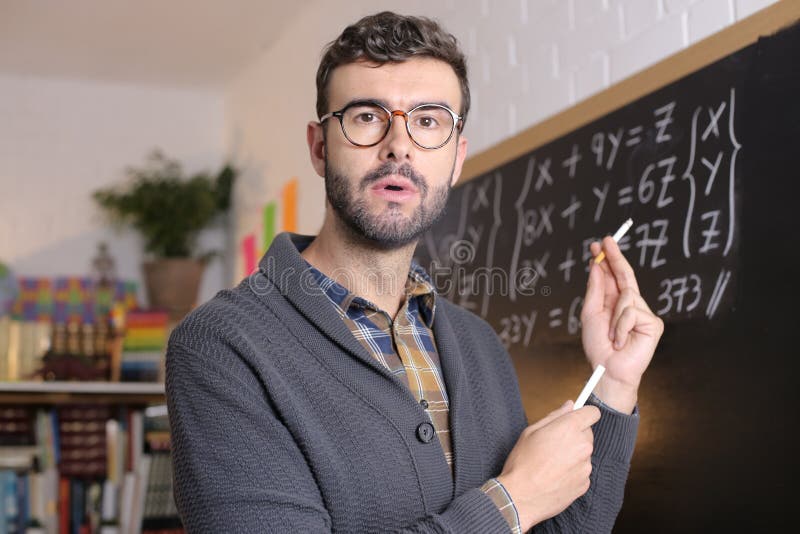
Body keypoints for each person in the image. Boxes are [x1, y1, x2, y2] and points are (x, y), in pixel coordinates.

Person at [165, 11, 664, 533]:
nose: (398, 145)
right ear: (319, 147)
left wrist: (614, 383)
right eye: (366, 117)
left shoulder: (479, 345)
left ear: (456, 159)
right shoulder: (222, 346)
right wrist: (510, 501)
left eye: (428, 121)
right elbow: (516, 511)